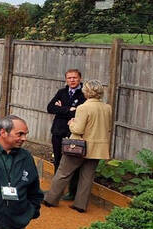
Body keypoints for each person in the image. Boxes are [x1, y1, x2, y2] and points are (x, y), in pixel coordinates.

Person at [43, 80, 113, 213]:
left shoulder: (83, 108)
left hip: (79, 146)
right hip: (97, 148)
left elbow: (78, 129)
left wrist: (71, 123)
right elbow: (108, 127)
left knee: (63, 172)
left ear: (86, 92)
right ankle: (80, 204)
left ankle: (50, 199)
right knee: (87, 177)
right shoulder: (107, 107)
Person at [46, 68, 87, 200]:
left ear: (79, 78)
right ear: (66, 79)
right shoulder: (62, 92)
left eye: (74, 78)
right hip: (58, 131)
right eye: (69, 78)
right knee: (57, 161)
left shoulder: (84, 94)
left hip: (73, 133)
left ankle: (72, 192)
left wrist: (61, 109)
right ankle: (57, 190)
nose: (72, 80)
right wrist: (69, 109)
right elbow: (50, 108)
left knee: (72, 162)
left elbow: (80, 113)